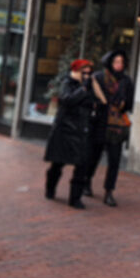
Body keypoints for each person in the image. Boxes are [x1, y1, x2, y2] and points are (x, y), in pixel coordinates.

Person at [44, 59, 98, 209]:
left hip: (82, 131)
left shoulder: (89, 86)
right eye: (84, 72)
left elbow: (98, 102)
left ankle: (75, 198)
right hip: (66, 130)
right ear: (76, 71)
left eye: (89, 72)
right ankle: (50, 189)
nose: (87, 75)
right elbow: (67, 100)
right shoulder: (67, 83)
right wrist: (84, 90)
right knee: (58, 164)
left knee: (82, 167)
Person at [83, 49, 134, 207]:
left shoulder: (126, 81)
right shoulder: (98, 77)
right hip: (99, 123)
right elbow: (87, 97)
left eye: (122, 62)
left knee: (114, 160)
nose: (119, 65)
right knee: (93, 156)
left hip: (116, 126)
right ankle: (86, 182)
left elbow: (130, 104)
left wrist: (123, 104)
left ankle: (109, 191)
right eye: (116, 62)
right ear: (110, 62)